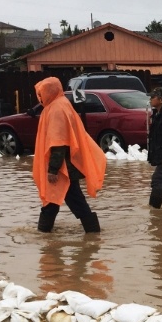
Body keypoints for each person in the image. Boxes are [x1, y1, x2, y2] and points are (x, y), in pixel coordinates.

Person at [32, 76, 106, 233]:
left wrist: (53, 169)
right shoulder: (60, 104)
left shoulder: (57, 109)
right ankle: (45, 233)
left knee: (65, 200)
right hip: (67, 165)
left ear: (50, 91)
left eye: (42, 93)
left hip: (64, 167)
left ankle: (91, 232)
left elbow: (59, 143)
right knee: (55, 200)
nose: (40, 97)